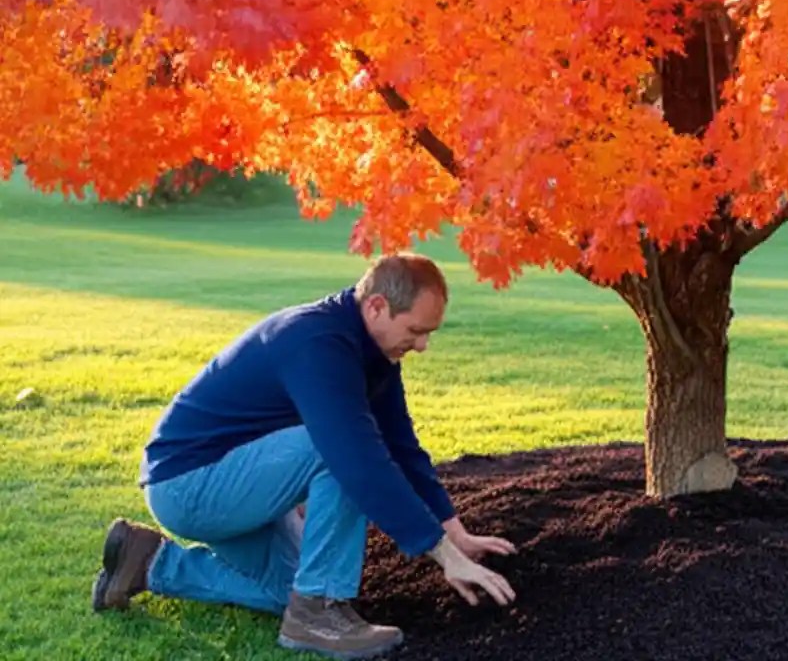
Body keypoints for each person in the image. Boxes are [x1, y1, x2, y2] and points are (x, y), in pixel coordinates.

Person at [91, 253, 517, 660]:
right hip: (188, 485)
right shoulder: (318, 344)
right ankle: (318, 614)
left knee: (291, 589)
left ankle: (149, 563)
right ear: (376, 306)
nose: (422, 346)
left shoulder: (372, 354)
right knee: (338, 449)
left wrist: (455, 534)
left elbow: (402, 447)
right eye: (416, 330)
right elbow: (359, 461)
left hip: (231, 484)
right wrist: (442, 555)